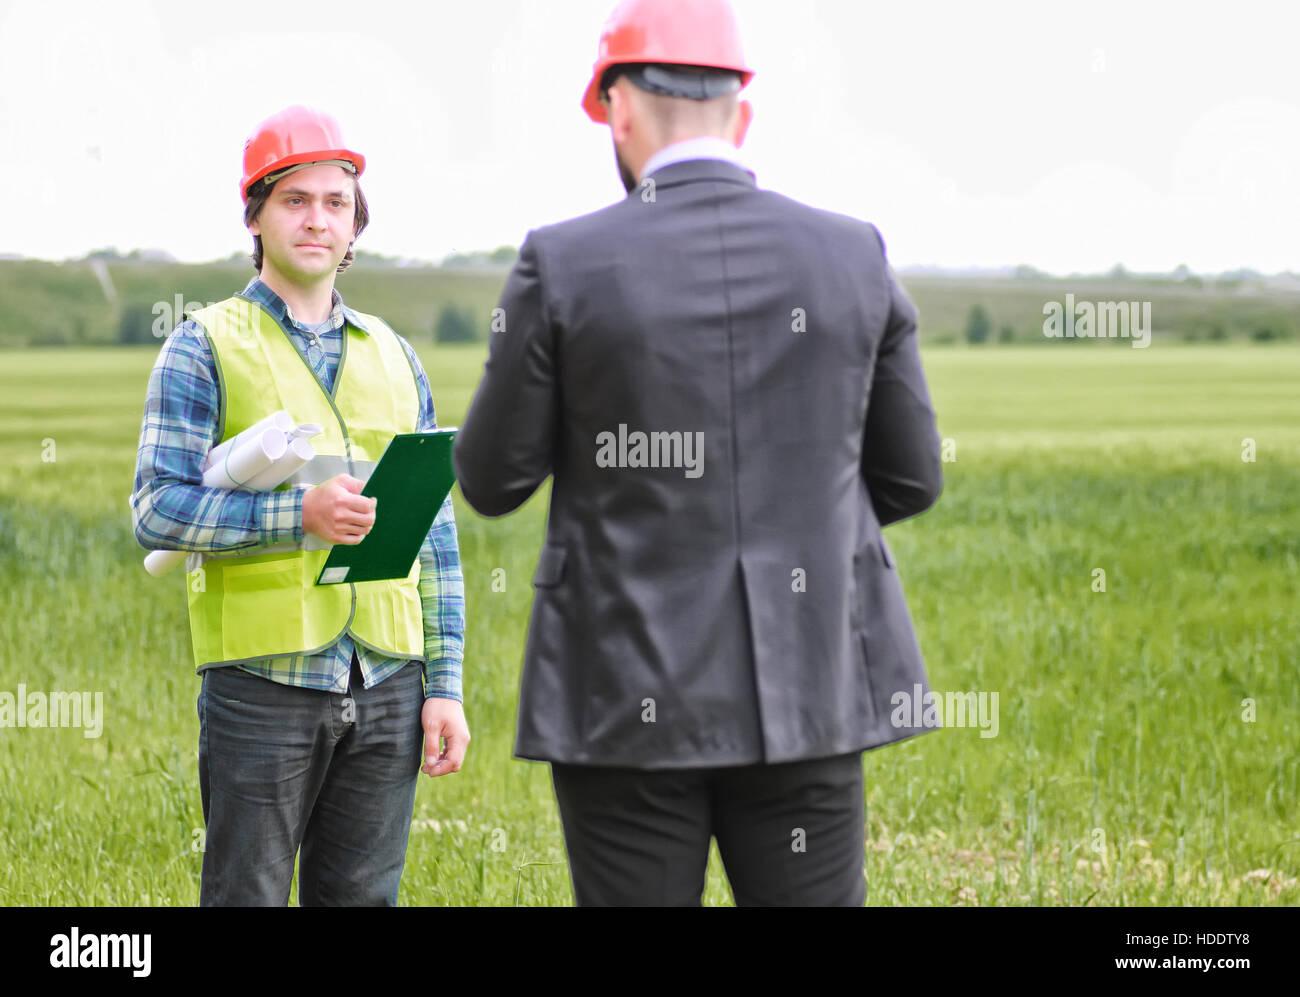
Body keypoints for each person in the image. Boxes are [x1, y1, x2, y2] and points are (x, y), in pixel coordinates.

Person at [453, 0, 943, 906]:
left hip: (622, 702)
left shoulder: (560, 263)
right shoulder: (852, 253)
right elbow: (913, 477)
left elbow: (491, 480)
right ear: (742, 114)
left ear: (620, 110)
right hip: (811, 688)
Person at [130, 105, 468, 906]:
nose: (318, 219)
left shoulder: (394, 353)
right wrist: (298, 517)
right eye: (295, 199)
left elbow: (436, 533)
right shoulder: (203, 343)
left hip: (387, 678)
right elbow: (157, 511)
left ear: (356, 227)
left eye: (336, 203)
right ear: (255, 214)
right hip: (262, 683)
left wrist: (445, 683)